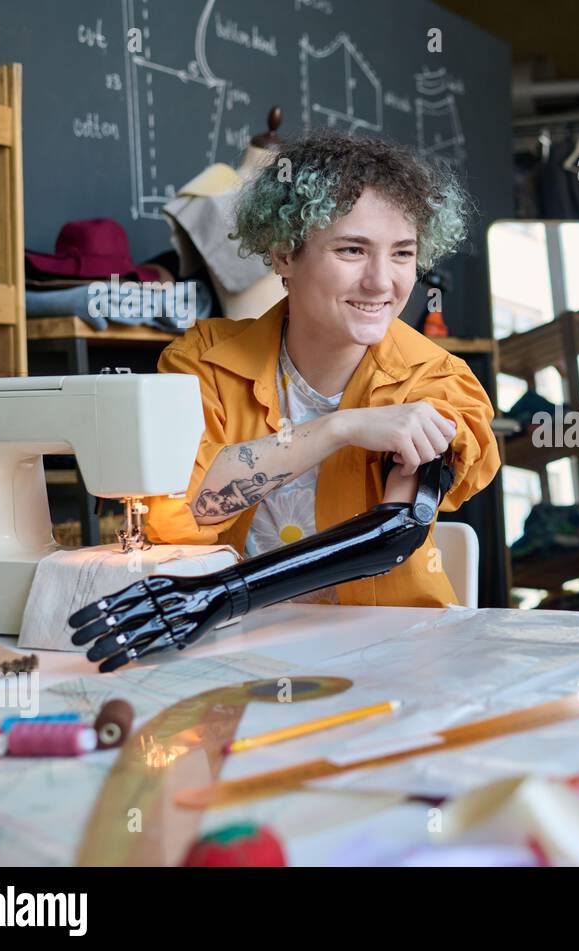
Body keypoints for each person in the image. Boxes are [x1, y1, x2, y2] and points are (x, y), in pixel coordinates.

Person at [144, 129, 499, 607]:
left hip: (389, 647)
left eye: (403, 253)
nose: (380, 282)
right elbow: (179, 511)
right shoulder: (204, 362)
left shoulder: (435, 381)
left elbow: (383, 540)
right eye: (352, 250)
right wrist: (340, 428)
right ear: (285, 253)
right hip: (239, 642)